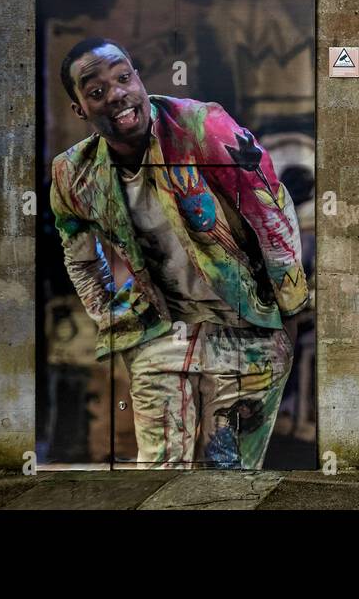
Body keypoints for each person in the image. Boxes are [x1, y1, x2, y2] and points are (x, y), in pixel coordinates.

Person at [49, 39, 309, 467]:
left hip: (243, 325)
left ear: (137, 77)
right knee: (158, 469)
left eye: (123, 77)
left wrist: (290, 311)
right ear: (80, 108)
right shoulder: (72, 172)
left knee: (229, 473)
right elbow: (79, 255)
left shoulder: (202, 125)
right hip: (159, 331)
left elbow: (270, 211)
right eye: (96, 91)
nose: (116, 94)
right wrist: (109, 316)